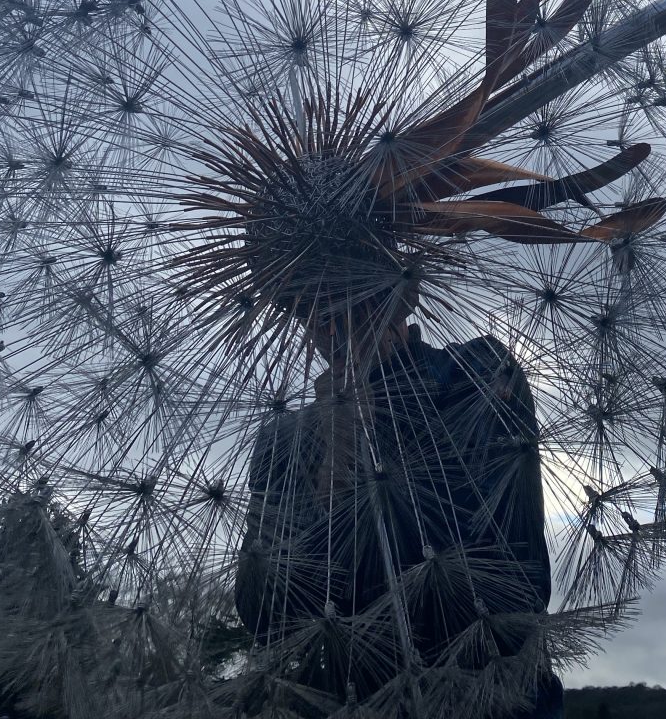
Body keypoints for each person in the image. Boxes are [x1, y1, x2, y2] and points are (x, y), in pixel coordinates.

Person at [235, 278, 564, 717]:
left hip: (500, 698)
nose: (329, 329)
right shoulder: (282, 440)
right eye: (306, 311)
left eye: (352, 300)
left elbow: (506, 564)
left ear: (406, 295)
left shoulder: (479, 372)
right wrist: (335, 458)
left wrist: (370, 429)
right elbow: (265, 615)